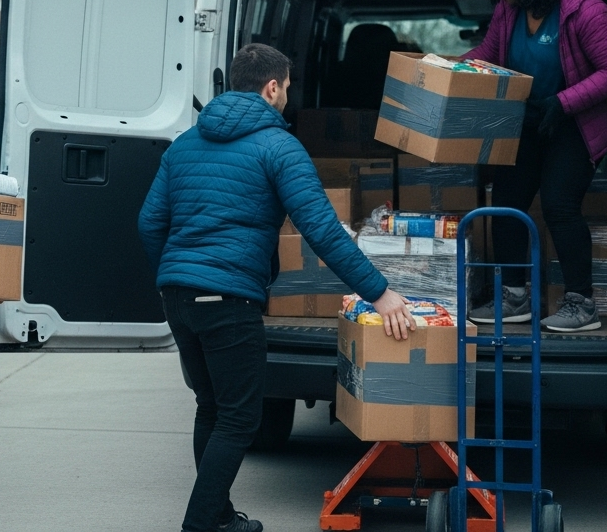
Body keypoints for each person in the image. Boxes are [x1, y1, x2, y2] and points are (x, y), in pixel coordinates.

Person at [138, 42, 413, 532]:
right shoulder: (278, 146)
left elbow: (149, 223)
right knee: (240, 419)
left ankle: (219, 518)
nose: (288, 95)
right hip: (228, 300)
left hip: (179, 297)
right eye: (287, 86)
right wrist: (381, 292)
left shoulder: (184, 143)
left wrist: (176, 274)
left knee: (212, 407)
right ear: (271, 87)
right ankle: (200, 524)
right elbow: (323, 231)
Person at [463, 0, 607, 333]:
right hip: (530, 118)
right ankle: (515, 298)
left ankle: (581, 305)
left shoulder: (584, 11)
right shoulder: (510, 8)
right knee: (506, 201)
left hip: (575, 119)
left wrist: (562, 103)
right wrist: (447, 67)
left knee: (559, 204)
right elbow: (489, 53)